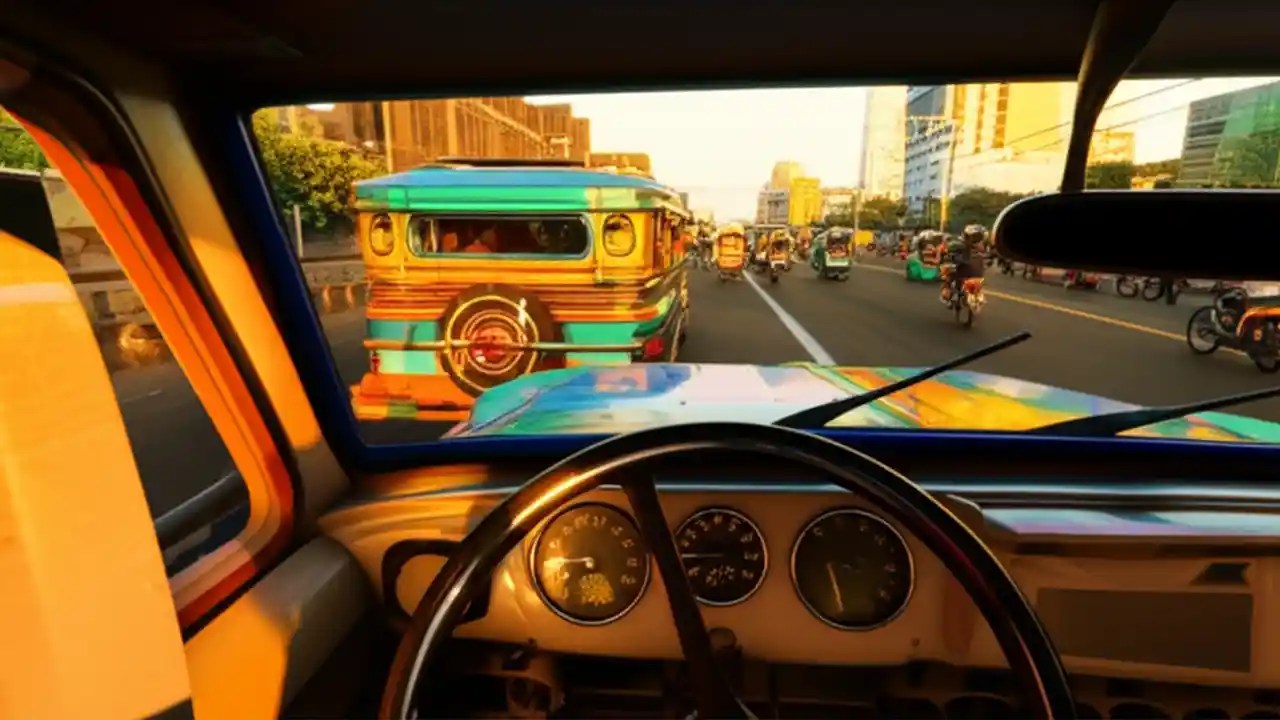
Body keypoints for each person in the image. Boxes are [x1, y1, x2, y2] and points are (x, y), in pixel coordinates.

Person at [941, 224, 988, 304]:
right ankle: (949, 291)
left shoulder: (979, 247)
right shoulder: (959, 244)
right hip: (963, 268)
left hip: (968, 272)